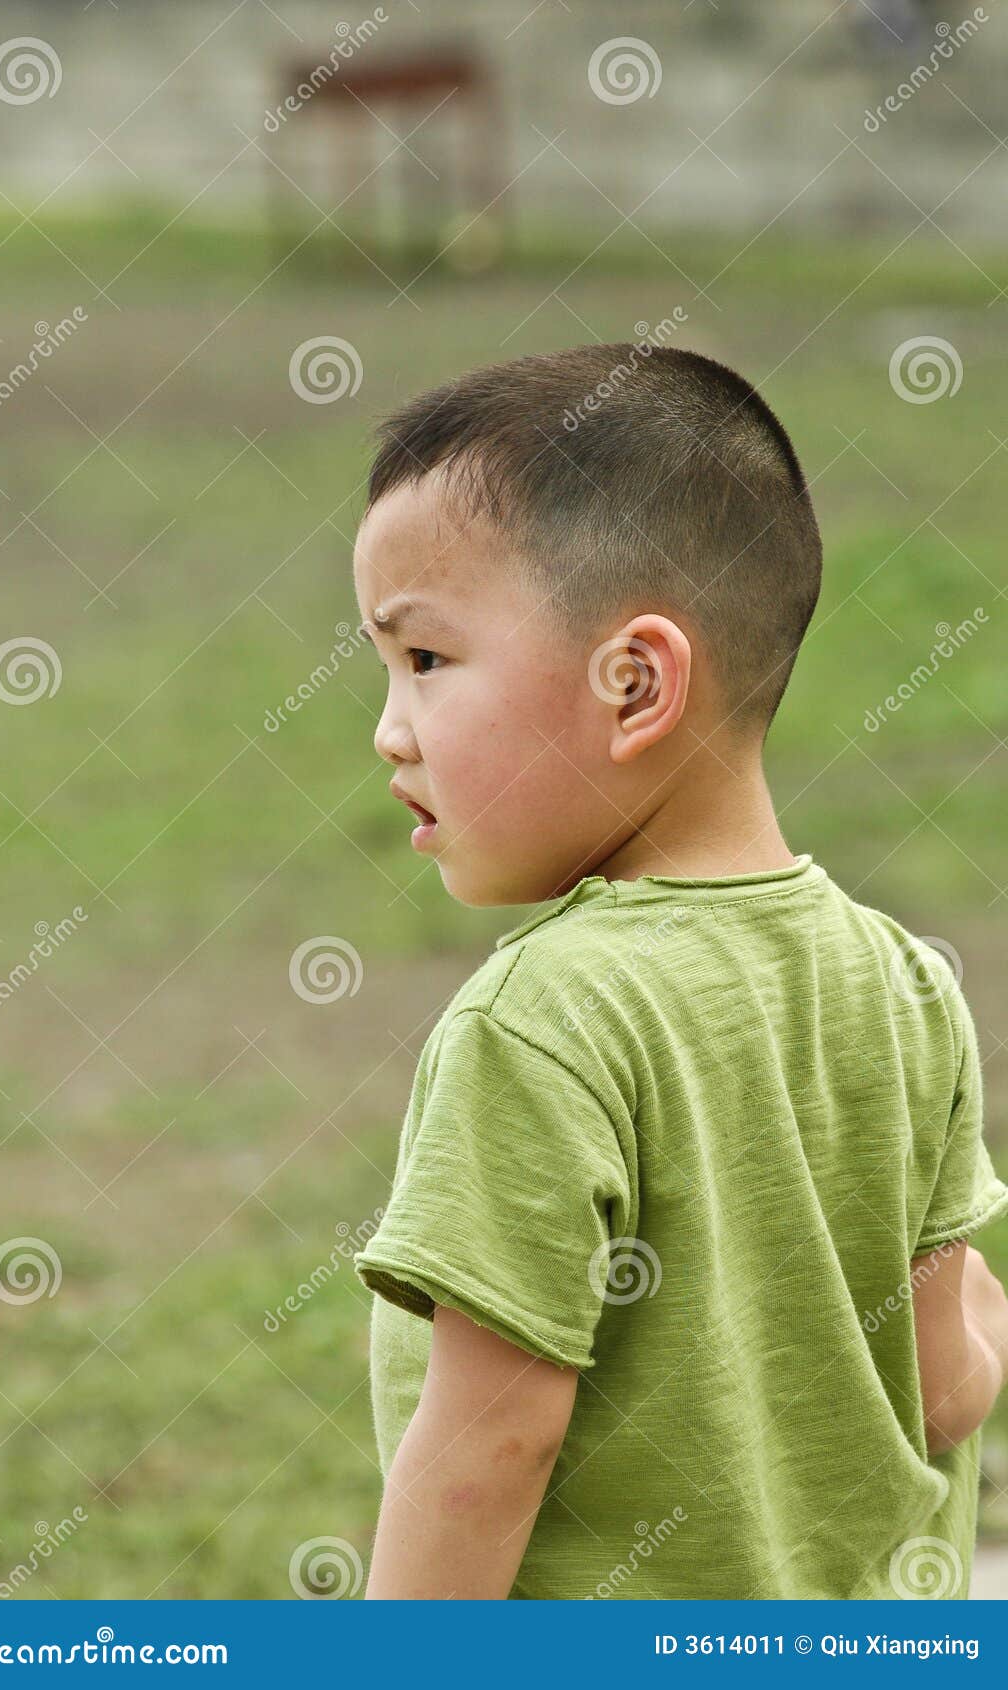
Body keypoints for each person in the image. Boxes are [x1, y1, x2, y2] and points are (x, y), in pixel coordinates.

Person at [349, 341, 1008, 1599]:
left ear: (634, 683)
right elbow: (942, 1386)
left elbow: (490, 1446)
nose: (389, 728)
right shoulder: (905, 984)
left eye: (424, 660)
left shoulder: (539, 1024)